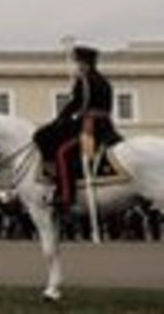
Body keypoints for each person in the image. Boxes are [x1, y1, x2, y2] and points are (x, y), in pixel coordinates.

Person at [33, 45, 123, 211]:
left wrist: (60, 120)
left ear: (86, 64)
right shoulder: (103, 81)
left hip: (90, 127)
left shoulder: (86, 81)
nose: (77, 66)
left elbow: (77, 105)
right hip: (104, 126)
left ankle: (65, 195)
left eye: (79, 63)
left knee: (63, 152)